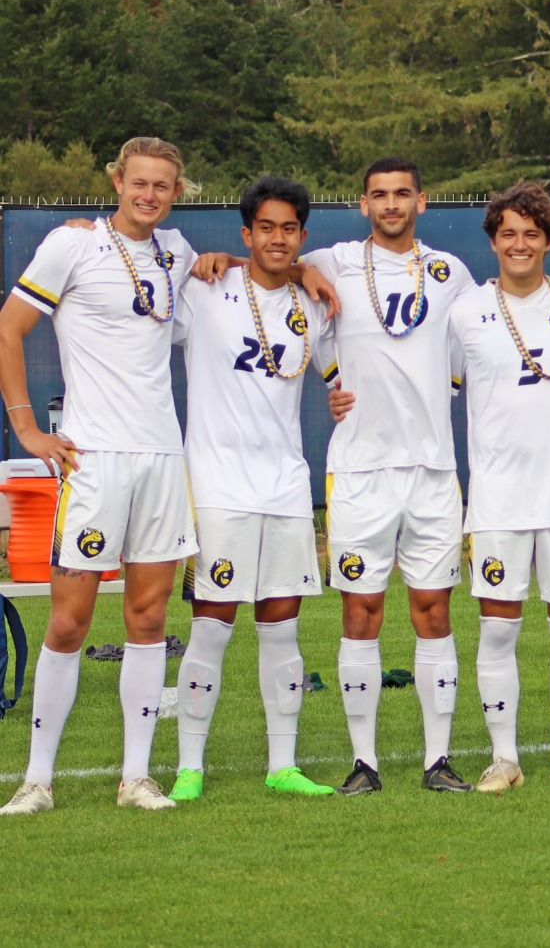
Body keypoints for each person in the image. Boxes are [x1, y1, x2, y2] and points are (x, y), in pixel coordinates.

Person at [0, 137, 202, 814]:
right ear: (117, 181)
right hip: (93, 461)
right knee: (70, 622)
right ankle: (38, 780)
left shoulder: (177, 253)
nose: (149, 195)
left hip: (161, 459)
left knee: (148, 617)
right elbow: (10, 326)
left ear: (176, 192)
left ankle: (136, 777)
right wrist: (27, 428)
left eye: (162, 186)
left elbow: (230, 277)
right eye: (138, 183)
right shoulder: (72, 245)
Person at [301, 155, 481, 794]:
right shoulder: (330, 262)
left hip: (432, 470)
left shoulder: (451, 273)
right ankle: (365, 763)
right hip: (358, 470)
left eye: (402, 193)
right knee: (362, 610)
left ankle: (438, 760)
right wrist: (333, 379)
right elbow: (274, 268)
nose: (391, 204)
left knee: (433, 611)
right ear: (362, 203)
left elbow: (469, 353)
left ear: (422, 201)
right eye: (379, 194)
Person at [165, 175, 337, 802]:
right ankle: (189, 766)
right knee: (211, 625)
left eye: (288, 228)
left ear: (302, 236)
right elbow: (146, 252)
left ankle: (282, 765)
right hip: (218, 487)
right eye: (265, 227)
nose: (277, 238)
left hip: (287, 487)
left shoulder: (314, 304)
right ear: (246, 233)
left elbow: (338, 368)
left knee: (282, 629)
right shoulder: (206, 289)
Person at [445, 182, 550, 792]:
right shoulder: (463, 311)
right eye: (508, 234)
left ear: (547, 240)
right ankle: (505, 759)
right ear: (492, 240)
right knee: (498, 629)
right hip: (497, 500)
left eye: (532, 234)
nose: (520, 244)